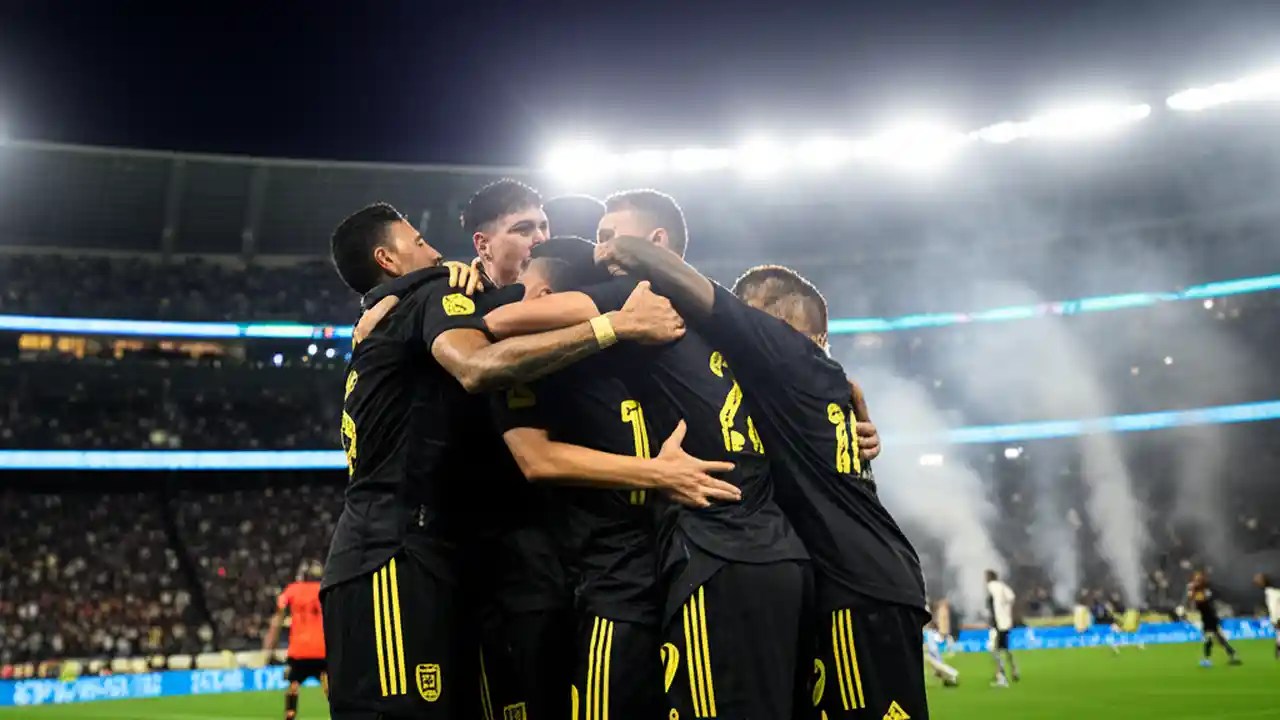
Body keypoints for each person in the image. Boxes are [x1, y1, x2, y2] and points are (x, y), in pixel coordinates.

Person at [321, 202, 684, 720]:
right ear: (387, 259)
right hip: (395, 553)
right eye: (419, 242)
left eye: (544, 228)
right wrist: (614, 326)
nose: (434, 251)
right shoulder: (433, 297)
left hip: (436, 557)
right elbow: (479, 367)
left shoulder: (406, 310)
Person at [481, 192, 819, 720]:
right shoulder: (717, 321)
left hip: (700, 557)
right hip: (757, 555)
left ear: (655, 244)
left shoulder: (635, 295)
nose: (600, 251)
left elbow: (500, 323)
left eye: (609, 237)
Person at [592, 215, 928, 720]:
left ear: (777, 324)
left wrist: (606, 250)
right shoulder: (823, 383)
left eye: (749, 321)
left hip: (856, 587)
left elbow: (693, 288)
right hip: (857, 578)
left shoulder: (782, 353)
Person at [264, 563, 327, 720]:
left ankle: (290, 714)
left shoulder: (293, 589)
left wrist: (270, 646)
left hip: (300, 649)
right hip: (322, 648)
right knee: (328, 683)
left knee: (293, 684)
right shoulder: (324, 588)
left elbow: (278, 616)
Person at [462, 179, 549, 288]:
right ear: (483, 246)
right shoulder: (458, 293)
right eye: (523, 229)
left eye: (543, 227)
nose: (541, 239)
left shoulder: (565, 287)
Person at [1187, 571, 1240, 667]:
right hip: (1206, 617)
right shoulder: (1198, 591)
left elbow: (1201, 600)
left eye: (1198, 580)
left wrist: (1193, 590)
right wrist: (1192, 590)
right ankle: (1232, 653)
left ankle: (1207, 659)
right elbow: (1192, 599)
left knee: (1209, 638)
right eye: (1195, 579)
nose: (1196, 581)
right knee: (1218, 638)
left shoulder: (1205, 591)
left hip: (1210, 617)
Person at [985, 570, 1018, 687]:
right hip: (1003, 622)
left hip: (998, 624)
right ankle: (1013, 669)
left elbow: (993, 606)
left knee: (994, 649)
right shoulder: (1002, 586)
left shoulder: (991, 587)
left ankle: (1002, 676)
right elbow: (1011, 597)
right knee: (1004, 648)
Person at [1255, 573, 1280, 660]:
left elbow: (1273, 608)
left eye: (1259, 581)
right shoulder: (1272, 592)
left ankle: (1278, 649)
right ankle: (1278, 648)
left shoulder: (1271, 593)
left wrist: (1275, 619)